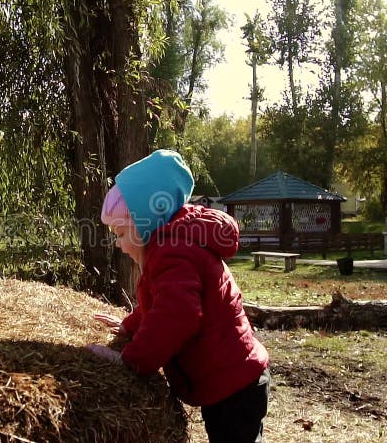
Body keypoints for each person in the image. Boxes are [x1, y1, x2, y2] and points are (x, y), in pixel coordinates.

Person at [87, 149, 270, 443]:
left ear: (146, 221)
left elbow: (177, 315)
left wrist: (130, 360)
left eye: (121, 233)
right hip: (227, 381)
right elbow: (161, 304)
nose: (119, 245)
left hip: (233, 385)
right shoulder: (170, 245)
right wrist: (130, 326)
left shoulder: (173, 253)